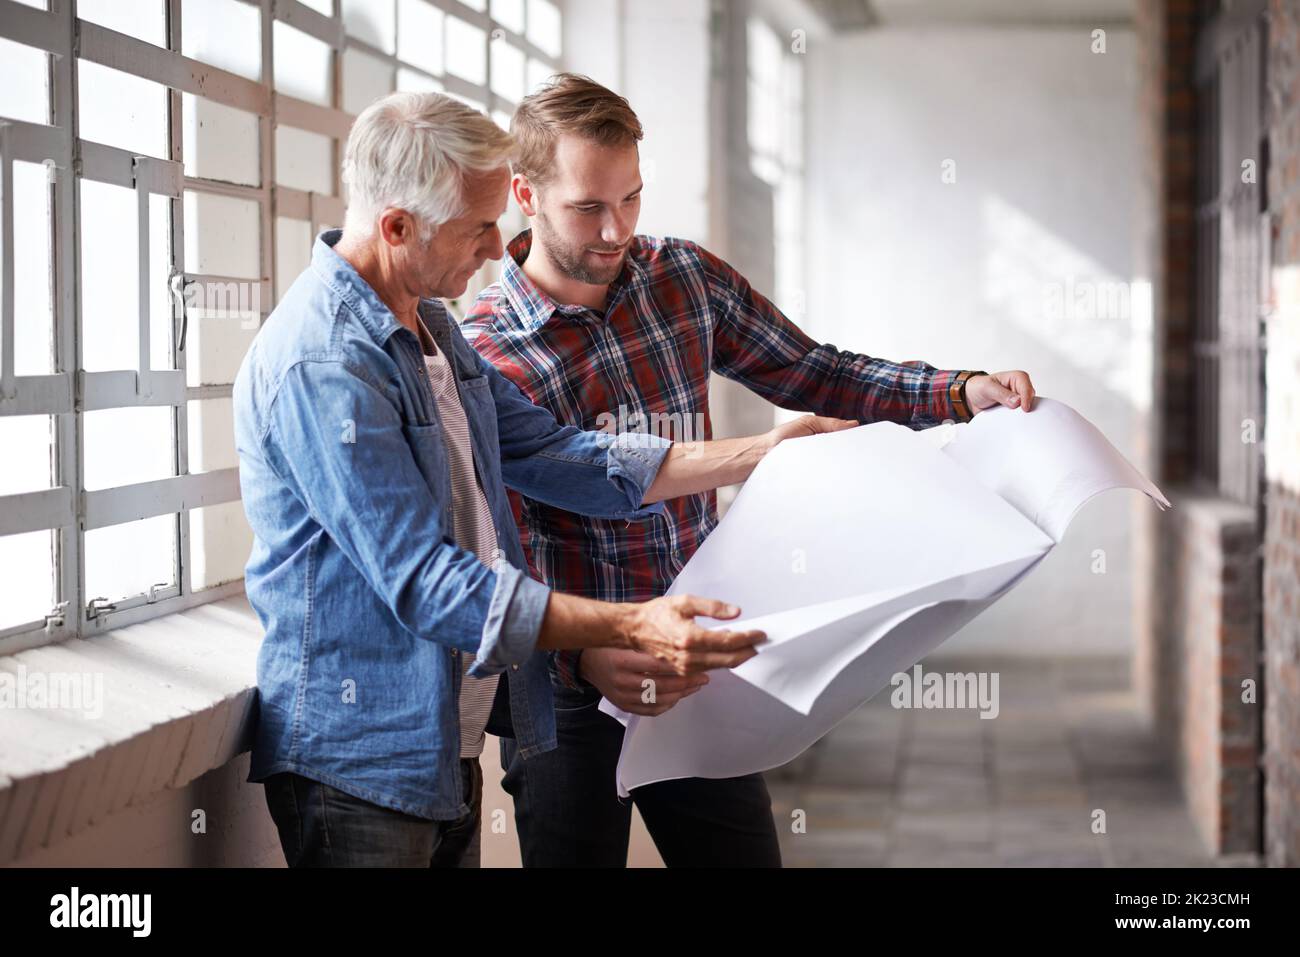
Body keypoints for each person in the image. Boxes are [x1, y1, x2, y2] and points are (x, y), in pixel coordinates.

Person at [464, 73, 1038, 867]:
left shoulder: (682, 280)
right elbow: (491, 555)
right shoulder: (484, 350)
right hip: (569, 697)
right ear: (525, 194)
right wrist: (580, 654)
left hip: (696, 664)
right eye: (589, 207)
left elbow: (817, 373)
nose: (617, 227)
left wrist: (959, 392)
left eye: (631, 197)